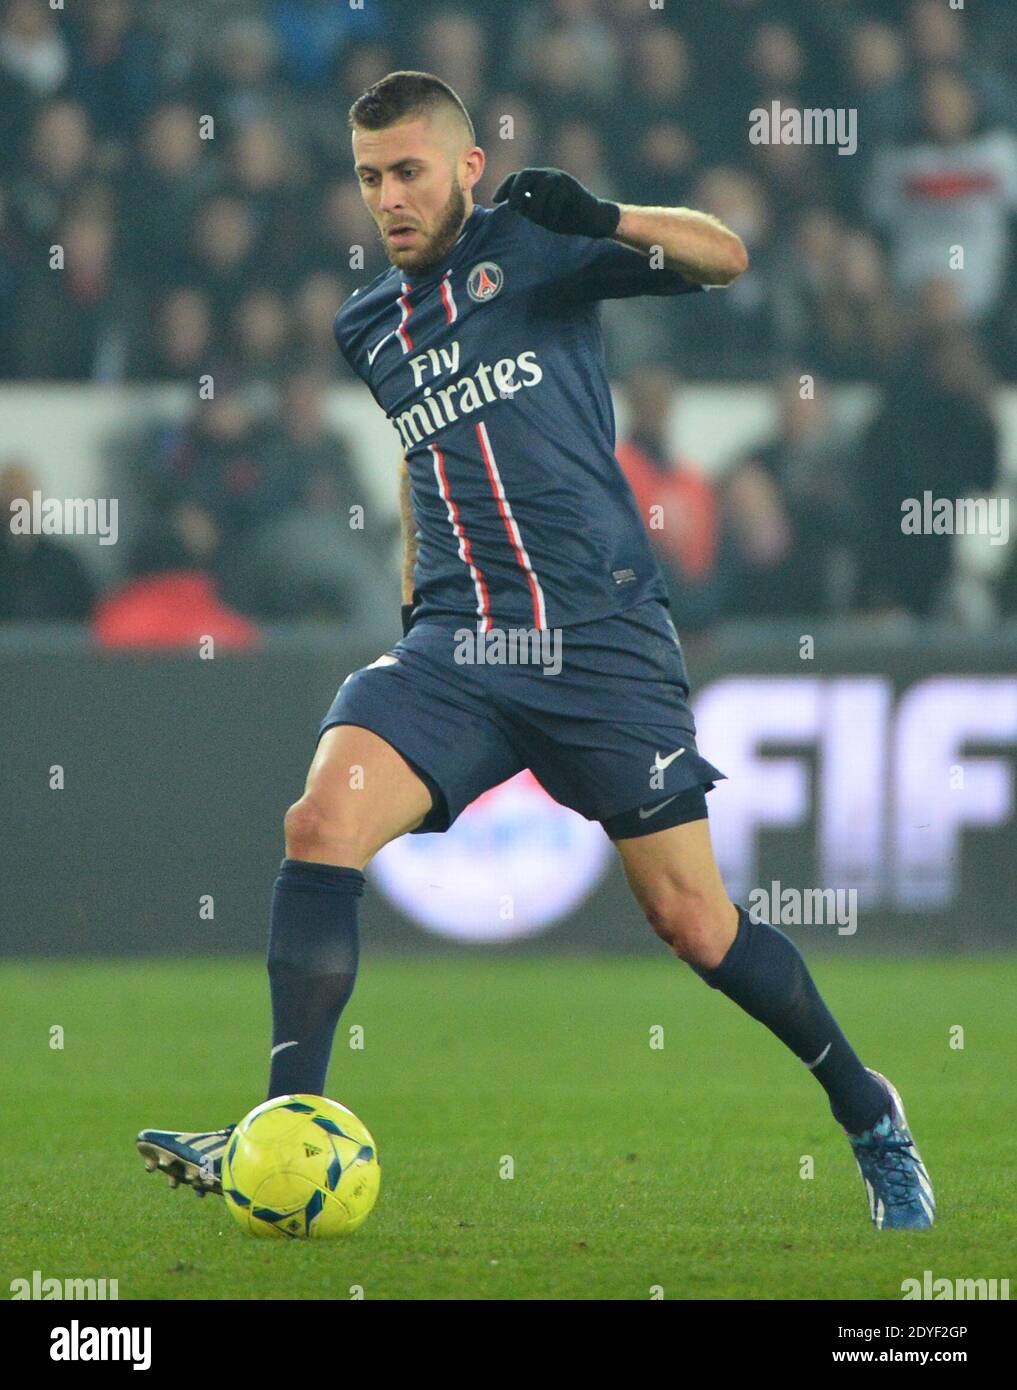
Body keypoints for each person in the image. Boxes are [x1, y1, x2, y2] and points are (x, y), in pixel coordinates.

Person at [137, 71, 933, 1231]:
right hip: (459, 642)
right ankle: (277, 1127)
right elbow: (424, 455)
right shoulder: (369, 325)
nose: (388, 198)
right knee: (320, 823)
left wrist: (605, 216)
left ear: (467, 167)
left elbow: (725, 257)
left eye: (409, 171)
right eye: (369, 178)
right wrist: (415, 605)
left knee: (695, 922)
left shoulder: (538, 247)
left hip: (601, 641)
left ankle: (869, 1111)